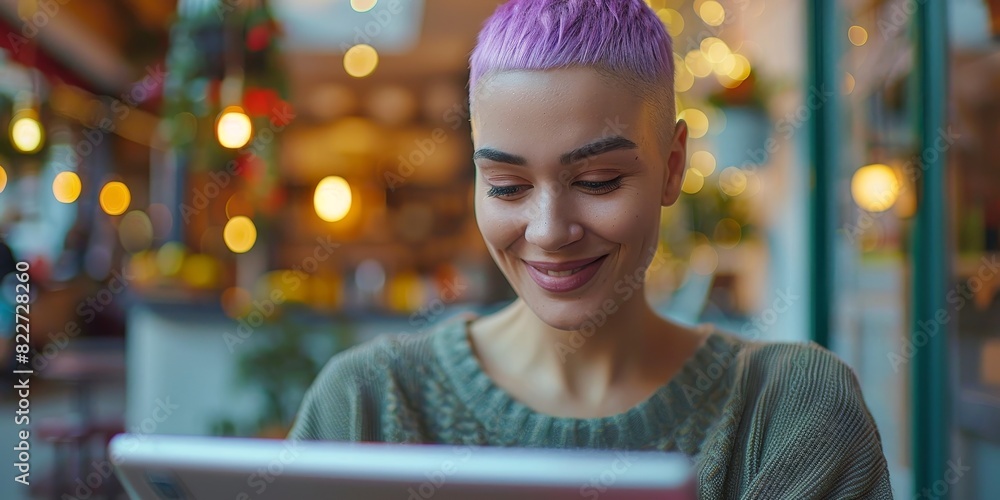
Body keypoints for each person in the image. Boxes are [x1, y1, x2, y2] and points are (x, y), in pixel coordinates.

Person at [289, 0, 893, 497]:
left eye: (598, 181)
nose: (549, 230)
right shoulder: (367, 403)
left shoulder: (790, 411)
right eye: (508, 187)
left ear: (672, 165)